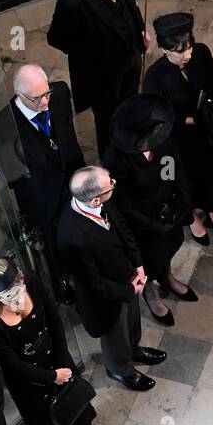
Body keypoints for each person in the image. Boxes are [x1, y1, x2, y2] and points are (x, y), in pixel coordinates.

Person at [0, 258, 93, 425]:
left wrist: (61, 364)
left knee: (71, 405)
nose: (12, 302)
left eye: (15, 293)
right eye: (4, 298)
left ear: (21, 280)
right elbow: (12, 364)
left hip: (57, 359)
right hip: (27, 380)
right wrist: (52, 377)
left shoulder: (34, 283)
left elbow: (55, 322)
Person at [56, 166, 167, 391]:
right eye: (111, 184)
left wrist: (138, 264)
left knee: (132, 321)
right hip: (106, 295)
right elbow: (93, 283)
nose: (114, 183)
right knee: (116, 333)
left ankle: (134, 350)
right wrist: (129, 291)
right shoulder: (72, 236)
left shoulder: (100, 201)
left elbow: (123, 229)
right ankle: (120, 369)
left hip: (127, 276)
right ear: (95, 200)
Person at [46, 0, 150, 154]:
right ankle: (112, 156)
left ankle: (132, 140)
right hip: (103, 74)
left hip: (131, 57)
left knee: (130, 101)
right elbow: (56, 38)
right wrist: (89, 52)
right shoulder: (73, 1)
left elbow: (131, 4)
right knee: (108, 116)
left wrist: (139, 30)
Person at [102, 94, 197, 327]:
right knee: (150, 260)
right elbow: (123, 205)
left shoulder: (161, 140)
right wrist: (154, 225)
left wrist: (182, 202)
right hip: (143, 225)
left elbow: (171, 169)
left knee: (168, 249)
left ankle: (167, 277)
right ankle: (150, 291)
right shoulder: (116, 159)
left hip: (167, 212)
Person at [144, 12, 213, 244]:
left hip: (204, 131)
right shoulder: (154, 77)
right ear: (164, 50)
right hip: (176, 141)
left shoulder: (201, 53)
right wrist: (190, 120)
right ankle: (192, 217)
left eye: (190, 47)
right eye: (180, 51)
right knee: (183, 180)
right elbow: (159, 118)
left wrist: (212, 109)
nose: (188, 54)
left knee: (210, 172)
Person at [0, 63, 85, 276]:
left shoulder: (59, 93)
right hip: (42, 195)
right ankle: (61, 279)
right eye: (36, 98)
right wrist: (25, 178)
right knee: (52, 240)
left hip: (72, 175)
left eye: (46, 93)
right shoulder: (3, 127)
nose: (45, 102)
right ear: (18, 94)